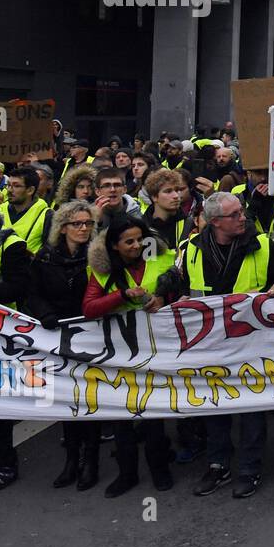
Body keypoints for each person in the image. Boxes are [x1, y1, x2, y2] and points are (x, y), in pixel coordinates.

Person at [157, 192, 274, 498]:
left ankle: (249, 467)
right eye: (235, 215)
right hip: (209, 344)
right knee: (214, 404)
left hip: (252, 342)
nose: (243, 217)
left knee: (252, 406)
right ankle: (218, 464)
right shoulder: (189, 249)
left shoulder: (263, 246)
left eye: (242, 211)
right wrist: (168, 291)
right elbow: (178, 279)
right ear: (215, 221)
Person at [82, 212, 179, 497]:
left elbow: (178, 287)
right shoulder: (101, 269)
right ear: (114, 245)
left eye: (140, 239)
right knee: (122, 415)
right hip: (120, 354)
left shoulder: (161, 257)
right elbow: (88, 307)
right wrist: (122, 296)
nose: (137, 246)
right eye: (129, 242)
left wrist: (163, 297)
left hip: (156, 349)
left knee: (154, 415)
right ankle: (127, 474)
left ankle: (160, 469)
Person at [27, 200, 99, 491]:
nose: (83, 229)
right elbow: (32, 292)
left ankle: (91, 460)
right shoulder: (45, 258)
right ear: (63, 227)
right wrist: (45, 314)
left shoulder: (99, 256)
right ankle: (71, 459)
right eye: (77, 224)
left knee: (92, 397)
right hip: (57, 336)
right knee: (67, 399)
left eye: (88, 223)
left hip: (92, 334)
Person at [1, 167, 51, 255]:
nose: (9, 190)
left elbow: (50, 251)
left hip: (29, 267)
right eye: (8, 185)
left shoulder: (47, 215)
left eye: (16, 186)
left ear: (30, 190)